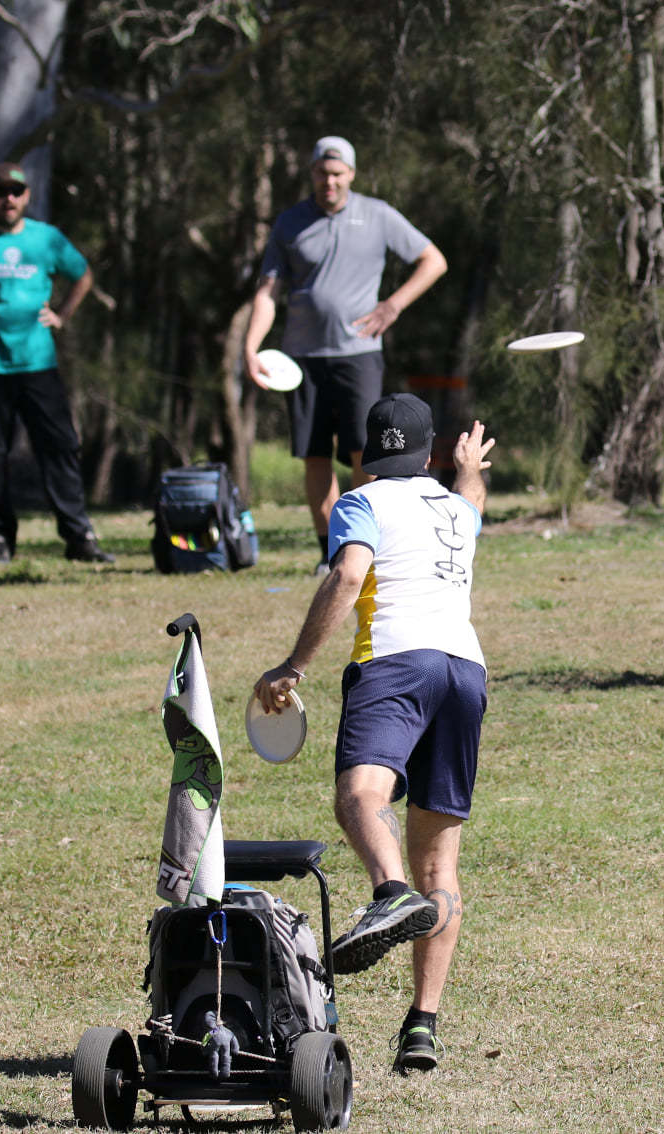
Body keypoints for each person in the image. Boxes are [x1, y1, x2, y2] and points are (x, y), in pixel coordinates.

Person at [253, 393, 493, 1076]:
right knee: (440, 864)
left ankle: (390, 896)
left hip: (395, 663)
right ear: (430, 455)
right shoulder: (455, 508)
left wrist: (295, 665)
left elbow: (349, 574)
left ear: (365, 458)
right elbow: (472, 499)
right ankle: (423, 1024)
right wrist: (469, 466)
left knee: (360, 798)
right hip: (463, 672)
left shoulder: (361, 502)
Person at [243, 135, 448, 575]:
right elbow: (267, 292)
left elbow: (433, 260)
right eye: (322, 172)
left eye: (337, 174)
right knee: (314, 454)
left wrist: (393, 305)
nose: (329, 181)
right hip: (301, 359)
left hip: (359, 354)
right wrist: (251, 347)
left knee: (364, 453)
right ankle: (328, 553)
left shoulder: (378, 215)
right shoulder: (290, 223)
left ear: (351, 174)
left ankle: (361, 545)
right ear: (312, 173)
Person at [0, 161, 112, 564]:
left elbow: (82, 275)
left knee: (61, 446)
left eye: (16, 191)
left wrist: (62, 315)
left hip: (37, 364)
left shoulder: (46, 238)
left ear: (27, 196)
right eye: (1, 191)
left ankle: (78, 535)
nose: (9, 198)